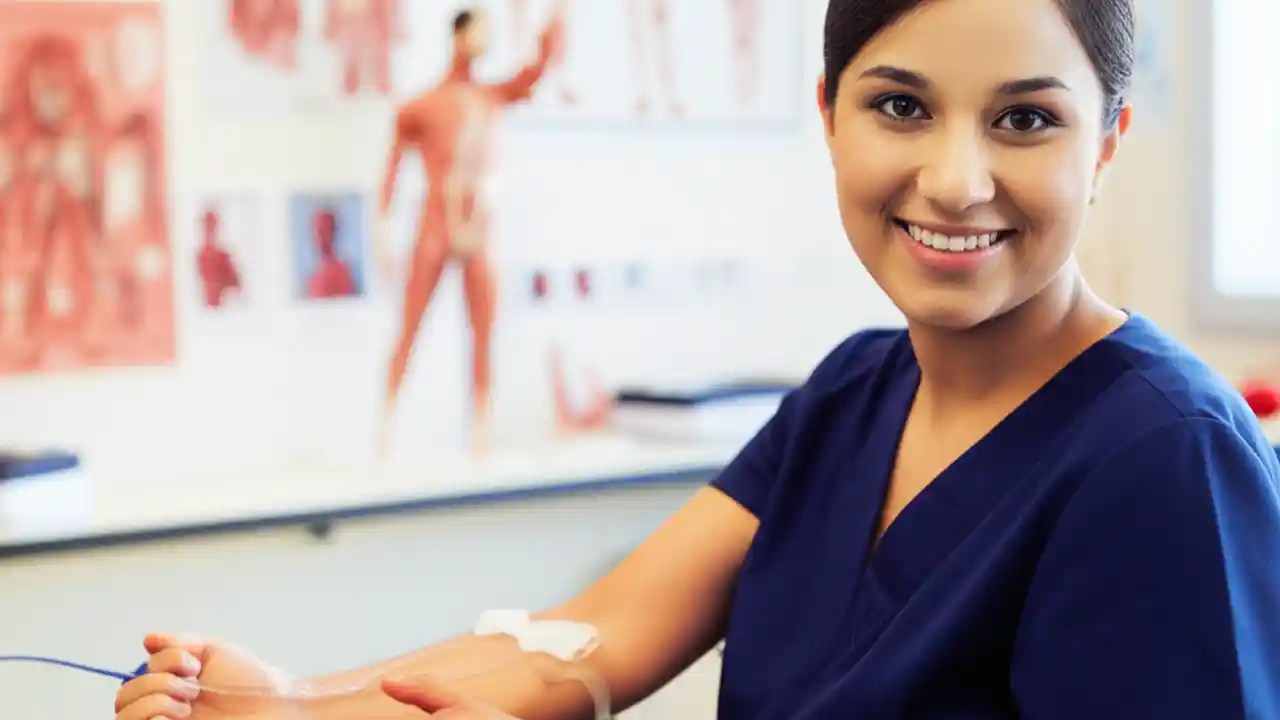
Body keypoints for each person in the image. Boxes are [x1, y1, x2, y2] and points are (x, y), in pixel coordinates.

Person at [115, 0, 1280, 718]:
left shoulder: (1160, 463)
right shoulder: (851, 393)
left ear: (1107, 140)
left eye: (1024, 119)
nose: (954, 179)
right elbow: (593, 636)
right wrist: (297, 704)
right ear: (828, 116)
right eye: (900, 107)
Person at [375, 8, 563, 455]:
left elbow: (532, 74)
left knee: (483, 328)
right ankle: (385, 424)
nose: (484, 40)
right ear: (458, 36)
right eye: (477, 32)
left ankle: (480, 429)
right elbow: (393, 167)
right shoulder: (422, 107)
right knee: (411, 324)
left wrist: (554, 23)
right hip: (437, 222)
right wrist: (382, 225)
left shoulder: (489, 99)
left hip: (478, 226)